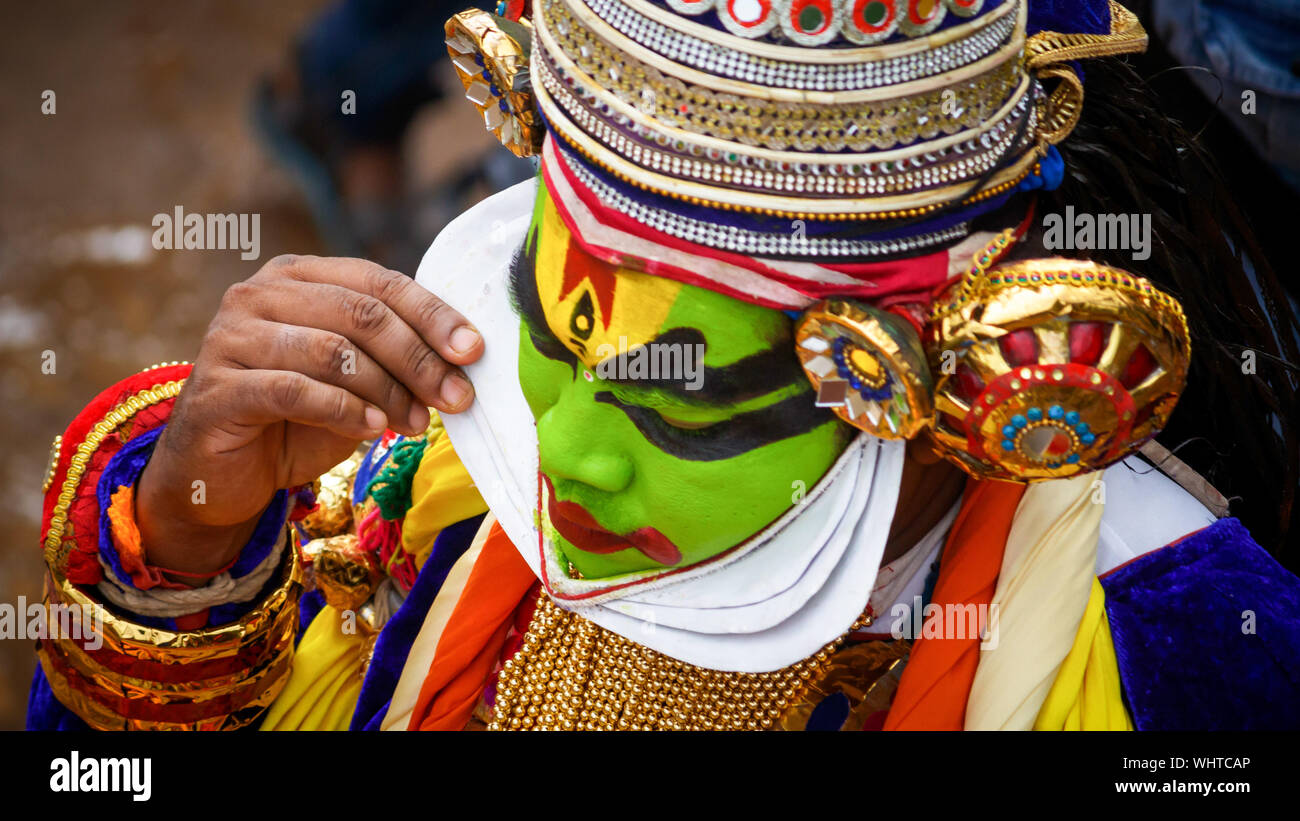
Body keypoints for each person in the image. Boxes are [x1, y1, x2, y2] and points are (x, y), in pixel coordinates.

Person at [28, 0, 1300, 731]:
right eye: (558, 328)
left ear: (945, 330)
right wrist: (187, 543)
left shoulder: (1173, 649)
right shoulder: (434, 461)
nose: (564, 452)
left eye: (677, 390)